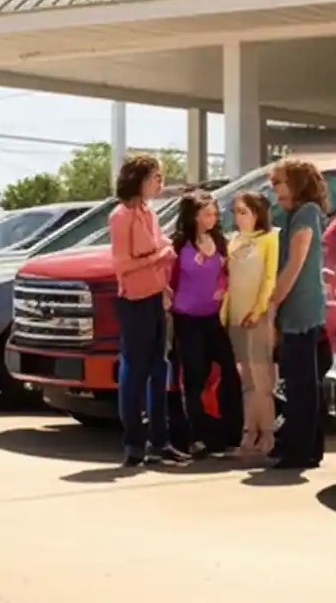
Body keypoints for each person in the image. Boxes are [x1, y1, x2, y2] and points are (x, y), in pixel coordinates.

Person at [109, 154, 184, 467]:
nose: (160, 183)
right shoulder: (121, 216)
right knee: (134, 373)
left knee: (159, 368)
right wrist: (159, 258)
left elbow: (160, 245)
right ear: (138, 179)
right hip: (134, 301)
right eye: (155, 177)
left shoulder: (149, 213)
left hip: (155, 298)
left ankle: (160, 440)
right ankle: (134, 445)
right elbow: (123, 264)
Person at [168, 190, 243, 459]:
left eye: (214, 213)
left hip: (212, 318)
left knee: (229, 372)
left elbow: (225, 273)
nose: (212, 218)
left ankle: (231, 434)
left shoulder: (220, 241)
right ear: (194, 216)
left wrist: (222, 288)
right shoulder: (179, 245)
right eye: (207, 213)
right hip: (187, 320)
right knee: (194, 377)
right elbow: (169, 279)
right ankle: (196, 436)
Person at [267, 158, 329, 470]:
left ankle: (300, 450)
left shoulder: (306, 214)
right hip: (296, 307)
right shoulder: (292, 213)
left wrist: (274, 302)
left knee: (301, 383)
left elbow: (295, 263)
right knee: (300, 380)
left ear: (296, 182)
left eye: (278, 182)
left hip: (301, 308)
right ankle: (306, 447)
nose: (274, 189)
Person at [222, 191, 280, 457]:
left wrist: (259, 311)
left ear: (258, 213)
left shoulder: (270, 238)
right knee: (245, 378)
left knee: (262, 379)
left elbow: (269, 278)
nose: (239, 217)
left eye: (244, 211)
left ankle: (267, 432)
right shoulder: (233, 241)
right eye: (236, 212)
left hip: (257, 316)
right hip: (235, 315)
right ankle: (249, 431)